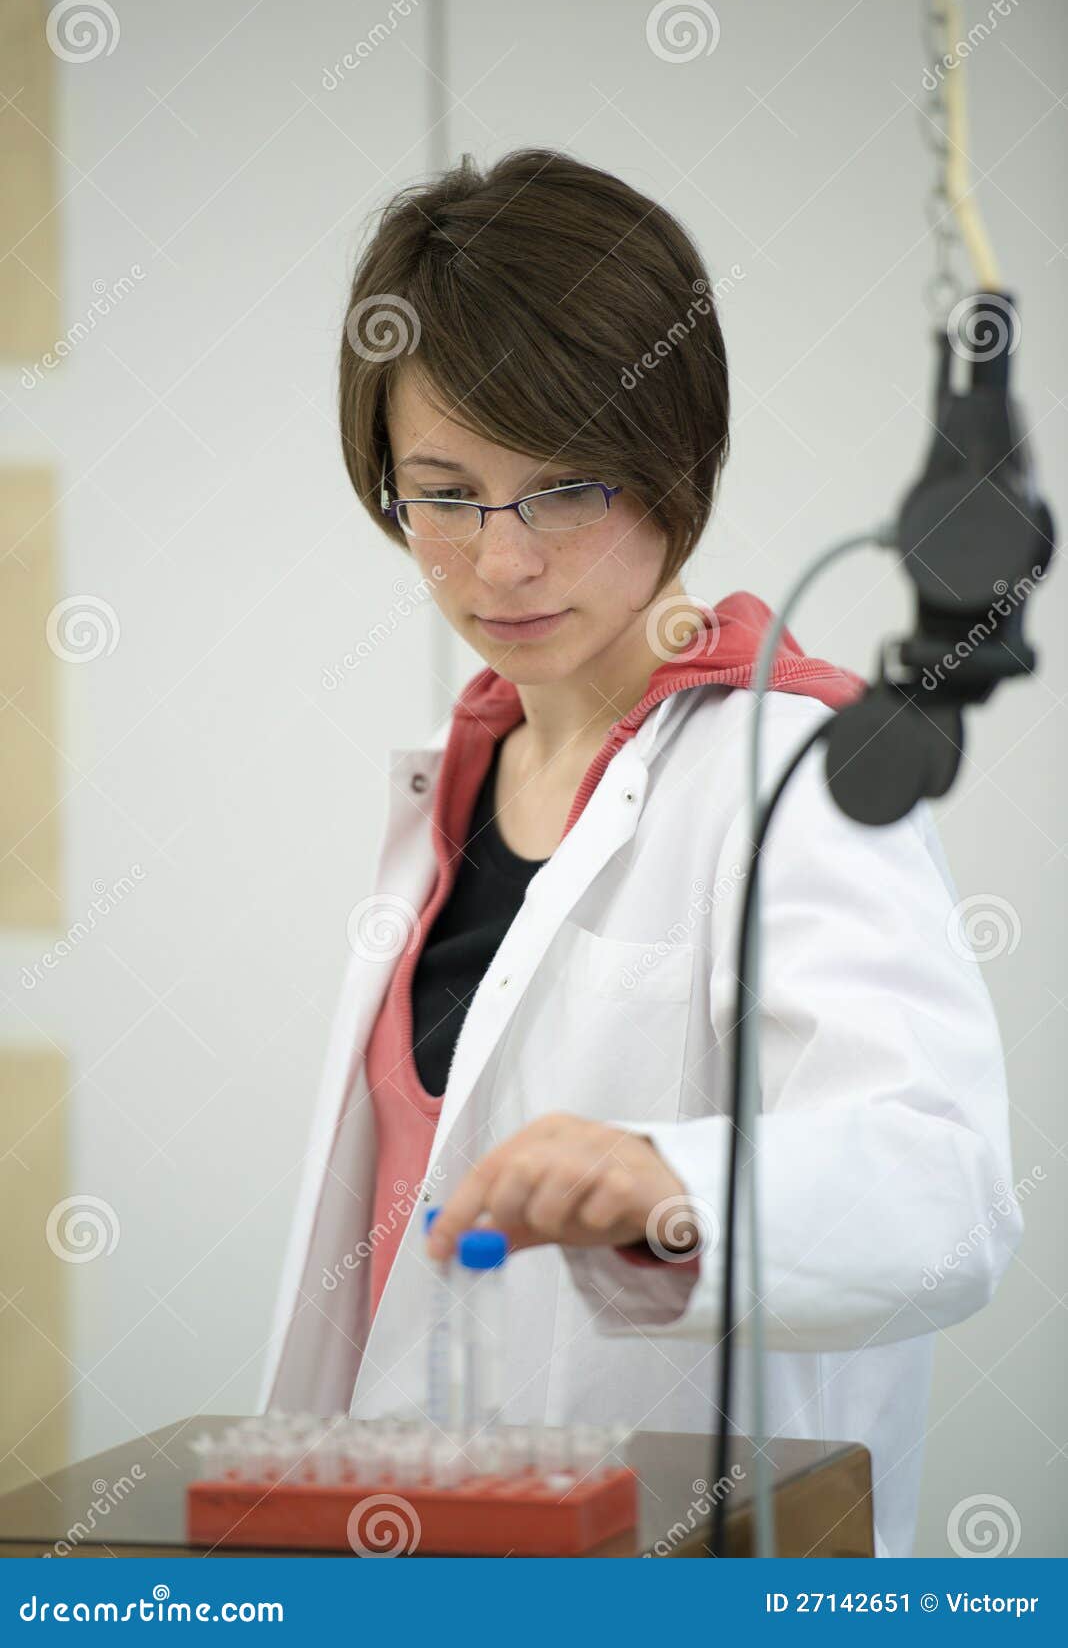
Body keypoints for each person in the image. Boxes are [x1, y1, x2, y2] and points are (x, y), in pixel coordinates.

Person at [260, 147, 1021, 1557]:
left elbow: (950, 1198)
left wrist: (676, 1185)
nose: (502, 563)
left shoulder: (786, 772)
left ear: (680, 465)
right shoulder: (449, 782)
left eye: (569, 488)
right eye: (444, 493)